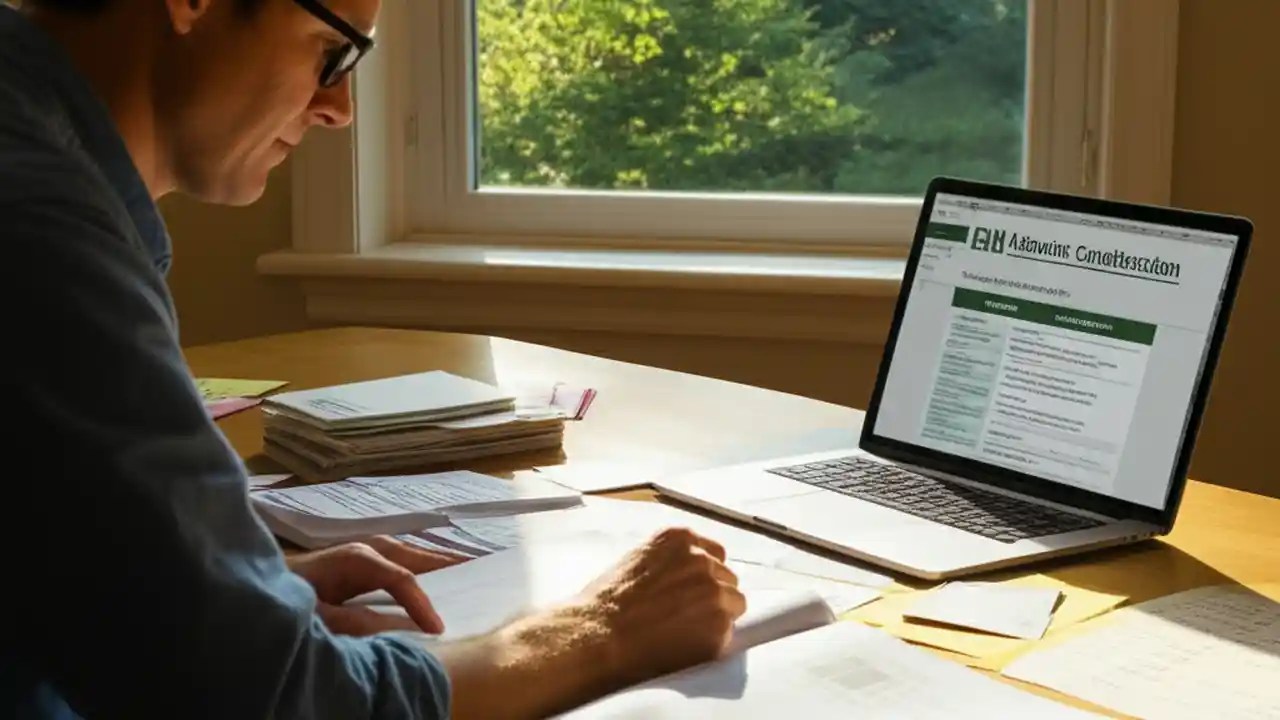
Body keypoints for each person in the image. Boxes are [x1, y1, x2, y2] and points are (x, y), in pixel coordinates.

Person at [0, 0, 747, 717]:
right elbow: (274, 702)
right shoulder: (44, 234)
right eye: (333, 50)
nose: (339, 108)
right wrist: (599, 632)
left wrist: (211, 585)